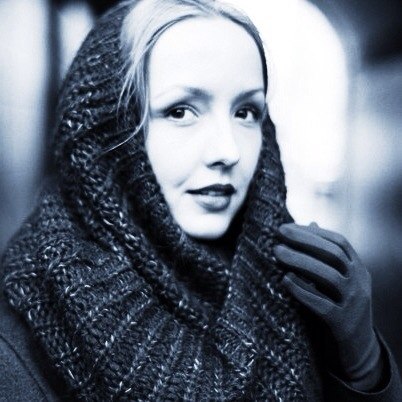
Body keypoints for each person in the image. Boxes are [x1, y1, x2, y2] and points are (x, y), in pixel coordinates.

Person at [0, 0, 401, 400]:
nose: (229, 151)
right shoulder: (17, 350)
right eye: (180, 111)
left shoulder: (290, 291)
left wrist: (364, 369)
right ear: (106, 134)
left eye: (246, 112)